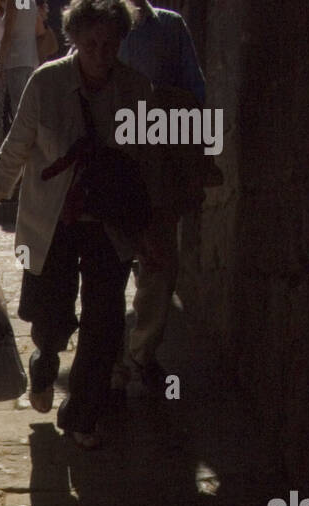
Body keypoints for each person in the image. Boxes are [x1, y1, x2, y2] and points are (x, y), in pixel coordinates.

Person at [0, 0, 160, 449]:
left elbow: (148, 163)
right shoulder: (47, 82)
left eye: (110, 44)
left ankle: (82, 412)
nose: (100, 53)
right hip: (53, 219)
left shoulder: (136, 89)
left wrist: (150, 227)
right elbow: (17, 147)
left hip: (109, 223)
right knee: (50, 313)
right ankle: (45, 358)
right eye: (90, 43)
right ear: (74, 40)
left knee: (104, 320)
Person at [117, 0, 207, 390]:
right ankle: (111, 356)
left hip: (159, 155)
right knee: (111, 260)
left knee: (161, 260)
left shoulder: (170, 27)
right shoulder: (104, 21)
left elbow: (194, 90)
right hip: (114, 159)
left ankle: (142, 351)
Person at [0, 0, 59, 154]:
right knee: (23, 113)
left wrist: (1, 62)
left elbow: (9, 30)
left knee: (13, 115)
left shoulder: (14, 6)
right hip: (27, 61)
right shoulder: (28, 4)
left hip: (13, 62)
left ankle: (14, 156)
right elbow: (38, 30)